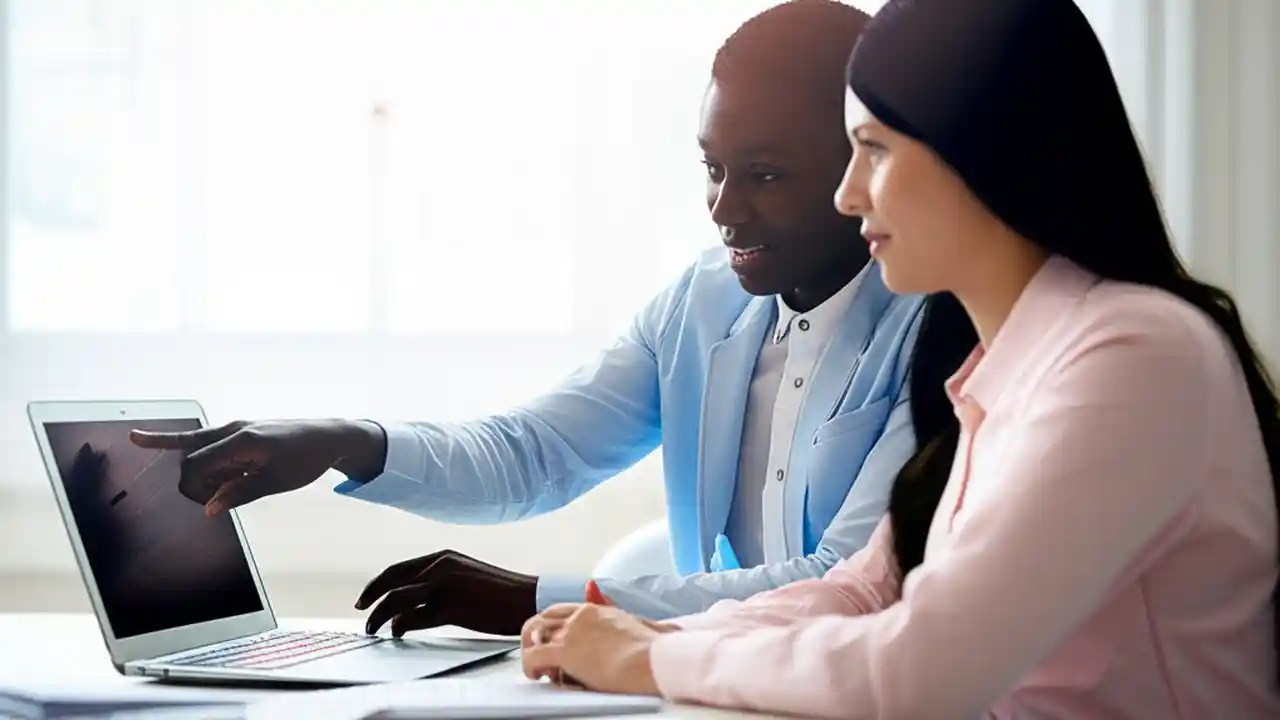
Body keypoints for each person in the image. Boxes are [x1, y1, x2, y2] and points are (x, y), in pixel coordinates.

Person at [519, 0, 1280, 717]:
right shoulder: (1008, 365)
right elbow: (859, 592)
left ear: (981, 148)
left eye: (873, 150)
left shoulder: (1134, 356)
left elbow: (923, 666)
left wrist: (650, 662)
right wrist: (656, 638)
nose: (848, 195)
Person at [131, 0, 971, 637]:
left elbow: (843, 581)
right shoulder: (701, 302)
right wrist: (345, 441)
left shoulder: (940, 325)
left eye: (766, 176)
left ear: (863, 162)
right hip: (717, 682)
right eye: (711, 167)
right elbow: (535, 453)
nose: (724, 210)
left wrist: (535, 601)